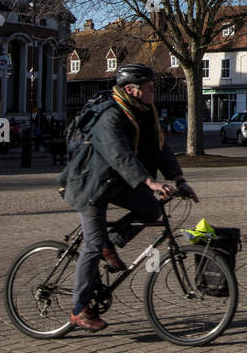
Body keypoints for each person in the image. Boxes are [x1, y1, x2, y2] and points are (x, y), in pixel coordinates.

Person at [57, 63, 199, 331]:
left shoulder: (144, 113)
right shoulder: (109, 115)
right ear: (132, 90)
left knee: (150, 209)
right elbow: (119, 154)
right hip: (91, 185)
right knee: (93, 243)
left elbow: (159, 148)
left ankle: (112, 243)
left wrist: (179, 180)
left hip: (118, 183)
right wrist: (148, 181)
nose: (153, 91)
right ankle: (79, 309)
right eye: (149, 87)